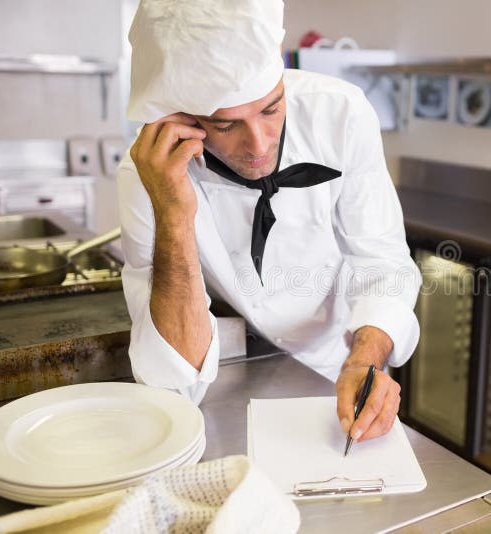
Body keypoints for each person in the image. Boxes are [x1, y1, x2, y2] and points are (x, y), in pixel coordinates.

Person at [118, 0, 421, 444]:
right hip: (231, 368)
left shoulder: (340, 114)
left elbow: (383, 261)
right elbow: (174, 380)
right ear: (180, 118)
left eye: (271, 108)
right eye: (225, 125)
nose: (258, 145)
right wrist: (173, 211)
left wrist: (367, 359)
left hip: (339, 360)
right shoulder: (146, 173)